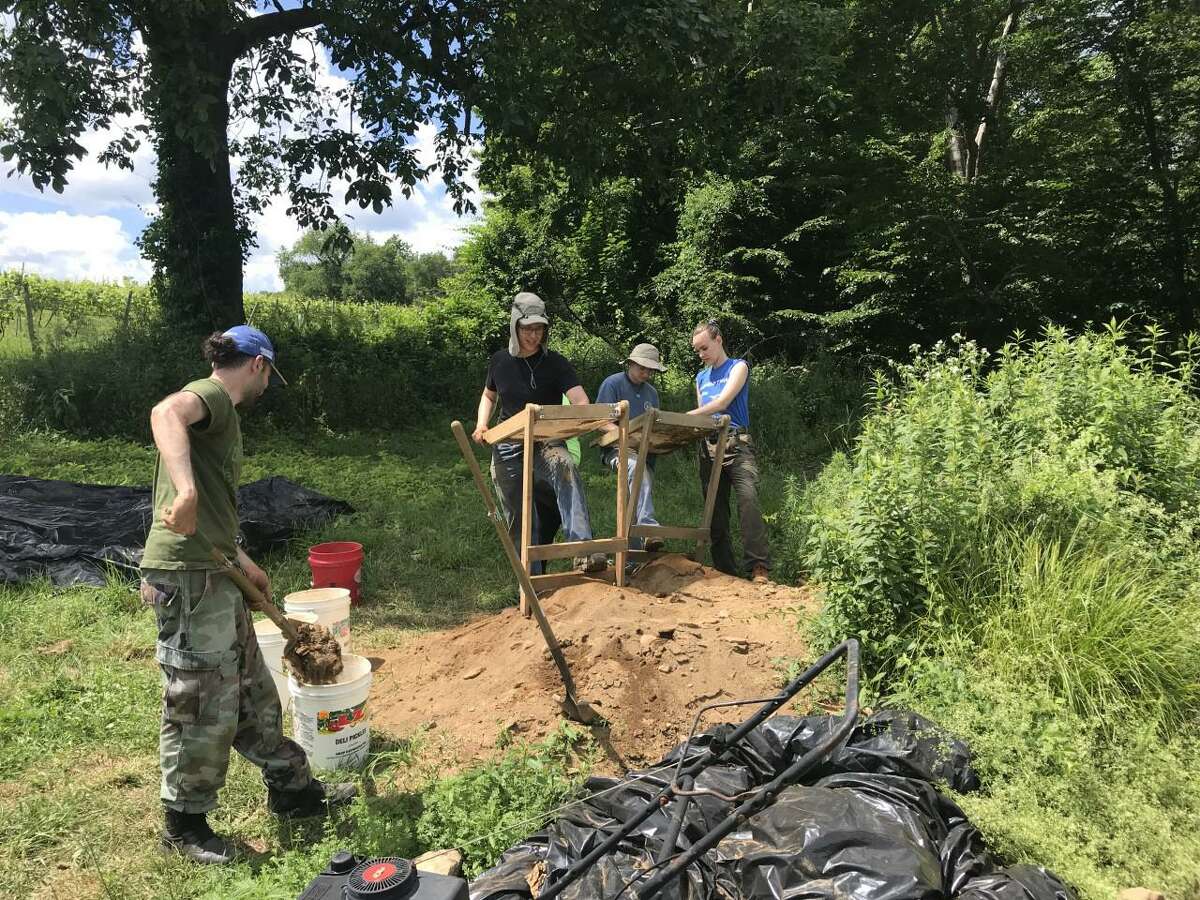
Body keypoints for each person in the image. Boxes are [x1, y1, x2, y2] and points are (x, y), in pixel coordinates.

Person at [140, 326, 355, 865]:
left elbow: (212, 505)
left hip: (216, 567)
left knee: (253, 688)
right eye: (270, 376)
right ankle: (184, 823)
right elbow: (165, 413)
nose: (267, 388)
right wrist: (185, 492)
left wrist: (242, 559)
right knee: (201, 699)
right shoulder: (212, 394)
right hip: (190, 578)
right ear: (258, 365)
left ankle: (294, 789)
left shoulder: (224, 416)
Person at [472, 293, 605, 573]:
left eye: (539, 329)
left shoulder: (556, 363)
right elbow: (488, 394)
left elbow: (580, 400)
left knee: (566, 467)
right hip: (509, 445)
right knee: (520, 514)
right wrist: (482, 424)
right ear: (514, 326)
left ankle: (582, 550)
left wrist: (582, 417)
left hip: (547, 441)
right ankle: (530, 579)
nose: (533, 335)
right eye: (527, 329)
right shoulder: (499, 362)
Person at [687, 320, 771, 583]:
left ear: (718, 340)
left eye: (705, 348)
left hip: (737, 442)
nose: (702, 355)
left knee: (748, 501)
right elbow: (705, 415)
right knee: (714, 510)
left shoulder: (738, 367)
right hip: (708, 445)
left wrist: (684, 416)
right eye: (697, 351)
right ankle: (725, 571)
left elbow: (722, 403)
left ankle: (758, 567)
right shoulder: (700, 377)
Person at [596, 343, 667, 552]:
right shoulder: (613, 384)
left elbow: (655, 426)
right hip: (618, 449)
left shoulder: (652, 393)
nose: (646, 373)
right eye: (642, 368)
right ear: (630, 364)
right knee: (636, 471)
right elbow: (600, 421)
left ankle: (633, 559)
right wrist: (627, 437)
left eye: (650, 370)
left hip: (647, 452)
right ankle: (648, 528)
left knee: (634, 499)